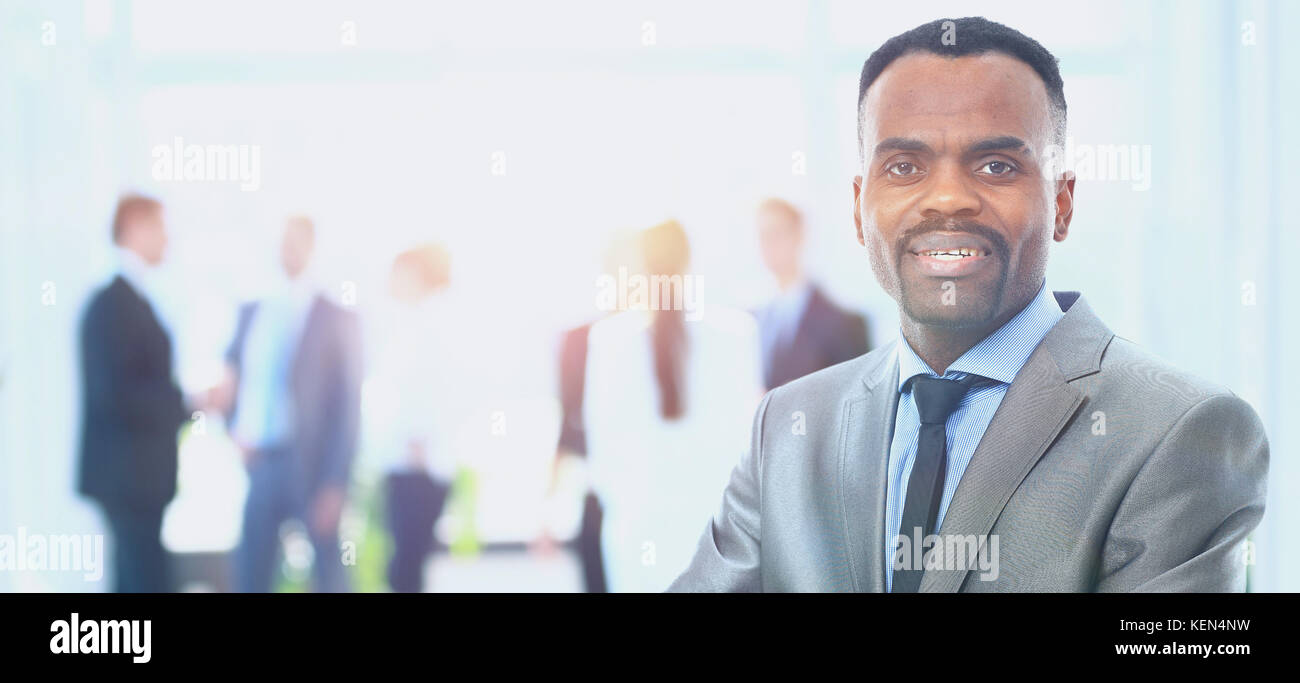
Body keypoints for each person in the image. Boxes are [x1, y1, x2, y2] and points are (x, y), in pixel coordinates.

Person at [670, 17, 1268, 592]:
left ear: (1061, 204)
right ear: (859, 209)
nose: (948, 199)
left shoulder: (1183, 432)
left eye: (996, 165)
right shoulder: (788, 428)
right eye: (904, 167)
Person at [583, 220, 763, 592]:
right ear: (689, 259)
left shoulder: (610, 341)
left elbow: (601, 456)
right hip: (715, 535)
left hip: (637, 531)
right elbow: (748, 445)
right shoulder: (737, 333)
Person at [223, 216, 363, 593]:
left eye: (297, 242)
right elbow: (231, 381)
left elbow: (348, 407)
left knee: (331, 577)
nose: (288, 249)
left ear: (313, 247)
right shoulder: (252, 311)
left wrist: (336, 481)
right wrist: (234, 430)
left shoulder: (336, 317)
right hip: (261, 462)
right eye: (283, 241)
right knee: (251, 574)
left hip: (314, 468)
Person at [77, 194, 201, 592]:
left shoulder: (137, 300)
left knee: (135, 578)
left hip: (140, 480)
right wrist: (187, 403)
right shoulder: (110, 304)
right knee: (144, 579)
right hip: (127, 479)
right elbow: (114, 396)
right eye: (160, 228)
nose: (168, 239)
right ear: (134, 226)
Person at [368, 244, 456, 592]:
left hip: (417, 467)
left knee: (406, 568)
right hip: (408, 465)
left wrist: (419, 444)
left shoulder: (430, 325)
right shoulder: (409, 325)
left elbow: (431, 393)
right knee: (405, 568)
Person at [754, 197, 870, 390]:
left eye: (776, 234)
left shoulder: (844, 324)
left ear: (800, 236)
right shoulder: (760, 319)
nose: (768, 245)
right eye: (763, 236)